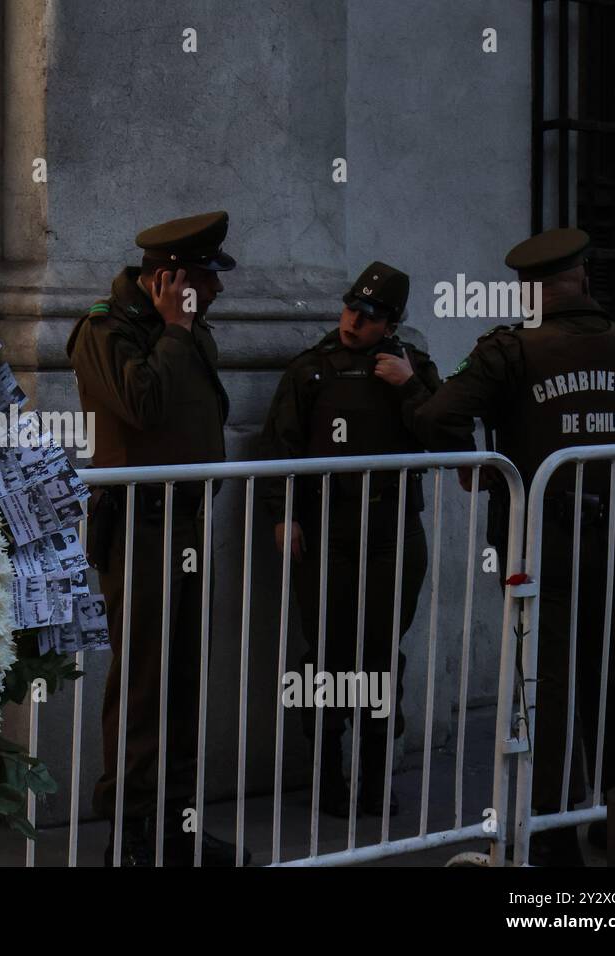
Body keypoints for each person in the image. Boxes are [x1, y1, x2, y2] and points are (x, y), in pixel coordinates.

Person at [412, 227, 615, 865]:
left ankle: (552, 836)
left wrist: (481, 468)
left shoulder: (506, 352)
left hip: (541, 544)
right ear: (585, 277)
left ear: (528, 291)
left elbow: (434, 416)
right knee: (612, 680)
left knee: (546, 687)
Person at [66, 210, 247, 866]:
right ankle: (132, 836)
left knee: (184, 682)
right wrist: (175, 329)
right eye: (207, 278)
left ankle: (179, 827)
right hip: (140, 529)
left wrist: (182, 328)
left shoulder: (189, 329)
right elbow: (142, 404)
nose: (219, 291)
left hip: (187, 524)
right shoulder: (103, 330)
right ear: (169, 279)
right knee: (144, 686)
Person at [257, 261, 440, 818]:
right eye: (349, 308)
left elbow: (445, 431)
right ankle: (329, 775)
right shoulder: (312, 370)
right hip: (329, 530)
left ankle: (375, 775)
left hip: (390, 530)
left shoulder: (413, 369)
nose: (353, 322)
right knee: (330, 655)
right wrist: (284, 514)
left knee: (381, 655)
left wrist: (409, 386)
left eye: (369, 316)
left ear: (392, 323)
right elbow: (279, 444)